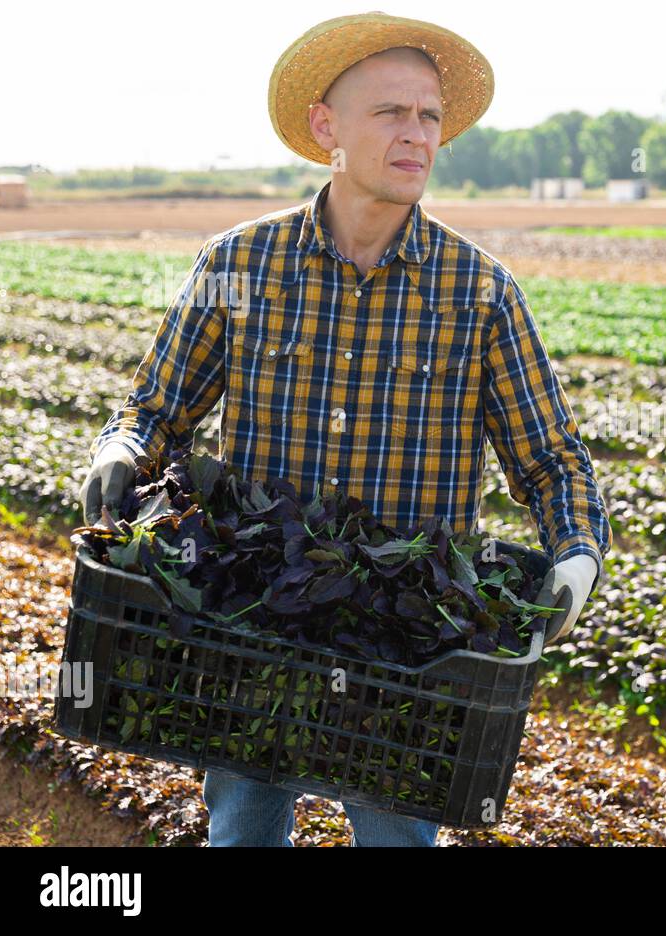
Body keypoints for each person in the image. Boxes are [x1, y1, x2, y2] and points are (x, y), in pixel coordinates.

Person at [77, 13, 611, 846]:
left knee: (396, 839)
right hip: (249, 624)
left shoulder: (480, 295)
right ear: (327, 127)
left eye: (430, 116)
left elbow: (550, 461)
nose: (417, 135)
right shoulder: (241, 268)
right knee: (243, 832)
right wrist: (123, 449)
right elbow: (159, 409)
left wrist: (577, 552)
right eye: (390, 112)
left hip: (407, 649)